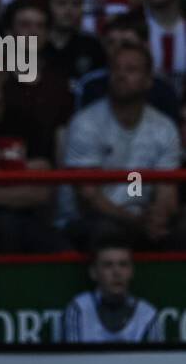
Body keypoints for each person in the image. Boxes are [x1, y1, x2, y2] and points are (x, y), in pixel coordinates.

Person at [63, 42, 183, 249]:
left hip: (142, 216)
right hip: (94, 218)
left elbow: (167, 191)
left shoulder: (164, 128)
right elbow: (88, 196)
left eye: (131, 70)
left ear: (148, 81)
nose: (121, 75)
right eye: (116, 69)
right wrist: (134, 221)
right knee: (109, 233)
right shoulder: (87, 123)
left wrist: (158, 216)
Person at [63, 238, 164, 342]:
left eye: (123, 265)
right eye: (108, 265)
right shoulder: (79, 309)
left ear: (131, 271)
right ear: (93, 272)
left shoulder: (147, 314)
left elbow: (156, 358)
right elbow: (74, 358)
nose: (117, 272)